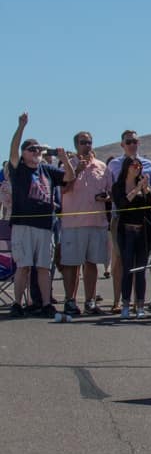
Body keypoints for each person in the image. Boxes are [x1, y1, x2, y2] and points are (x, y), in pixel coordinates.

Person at [6, 113, 75, 317]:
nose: (36, 152)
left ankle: (46, 303)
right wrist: (21, 127)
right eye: (32, 149)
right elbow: (13, 150)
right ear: (24, 152)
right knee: (24, 266)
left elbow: (69, 177)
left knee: (44, 267)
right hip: (23, 224)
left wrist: (64, 159)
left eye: (38, 149)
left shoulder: (46, 169)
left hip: (45, 226)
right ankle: (17, 303)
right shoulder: (18, 169)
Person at [59, 131, 112, 316]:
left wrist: (106, 197)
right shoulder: (68, 165)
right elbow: (63, 190)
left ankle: (90, 301)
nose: (87, 145)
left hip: (96, 222)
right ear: (76, 145)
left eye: (89, 142)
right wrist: (77, 171)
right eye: (83, 142)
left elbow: (110, 192)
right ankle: (70, 301)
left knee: (91, 264)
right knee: (72, 265)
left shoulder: (102, 167)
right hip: (73, 224)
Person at [112, 156, 151, 319]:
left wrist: (146, 189)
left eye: (139, 165)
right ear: (126, 167)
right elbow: (122, 205)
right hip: (126, 232)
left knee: (141, 270)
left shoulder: (142, 185)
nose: (137, 167)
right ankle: (125, 303)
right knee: (127, 268)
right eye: (133, 165)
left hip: (142, 232)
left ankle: (140, 304)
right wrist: (137, 189)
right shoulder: (118, 186)